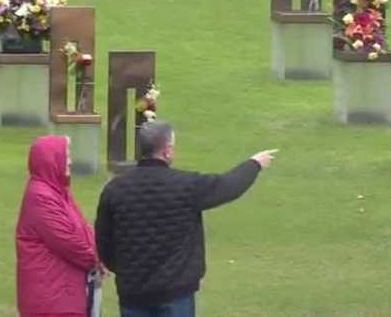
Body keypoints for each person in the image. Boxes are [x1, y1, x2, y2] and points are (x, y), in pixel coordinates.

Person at [95, 121, 278, 317]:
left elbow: (104, 241)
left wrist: (125, 270)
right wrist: (254, 164)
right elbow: (228, 186)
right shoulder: (187, 185)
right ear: (167, 151)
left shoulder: (114, 189)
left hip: (133, 292)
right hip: (175, 292)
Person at [16, 135, 100, 317]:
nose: (70, 161)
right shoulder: (41, 196)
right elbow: (66, 241)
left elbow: (81, 229)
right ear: (52, 159)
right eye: (66, 155)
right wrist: (96, 260)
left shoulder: (57, 191)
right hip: (51, 298)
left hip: (59, 292)